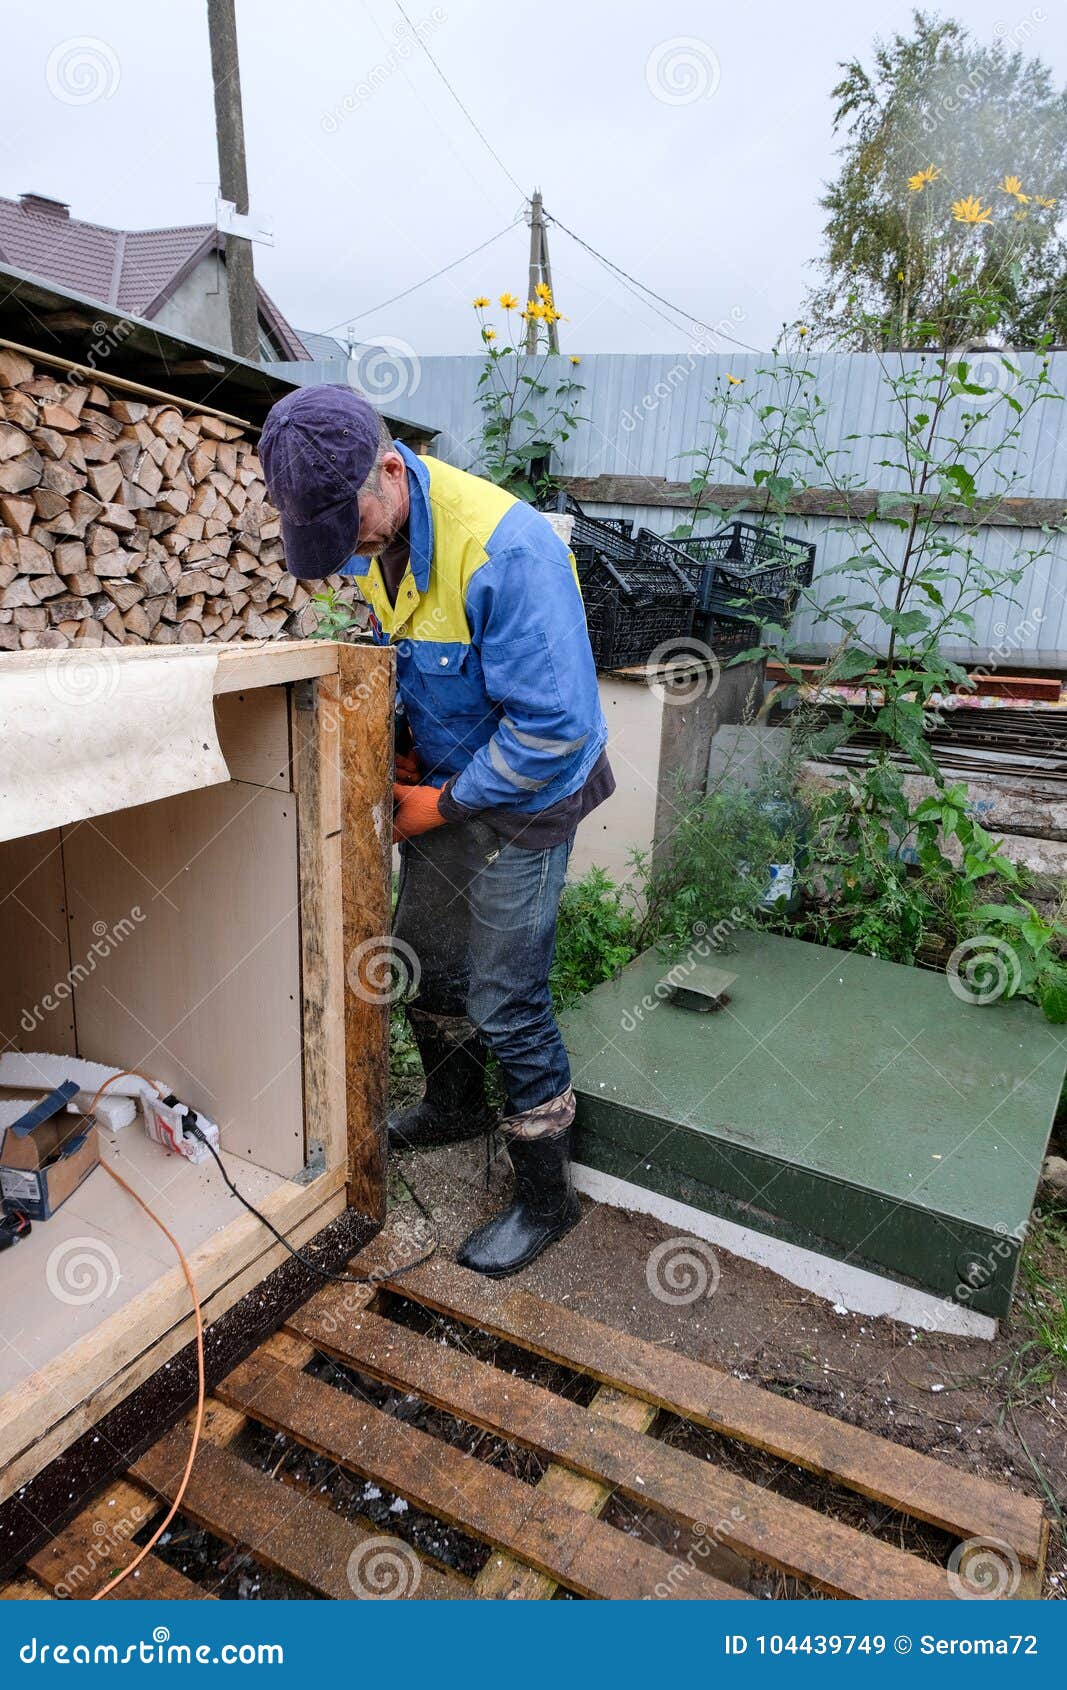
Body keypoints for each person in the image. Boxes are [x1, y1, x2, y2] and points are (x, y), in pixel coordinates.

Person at [259, 385, 613, 1277]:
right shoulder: (381, 524)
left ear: (389, 468)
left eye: (354, 526)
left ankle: (546, 1198)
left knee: (505, 993)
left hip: (528, 800)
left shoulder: (508, 549)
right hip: (452, 783)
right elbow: (424, 654)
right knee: (423, 957)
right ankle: (454, 1109)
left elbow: (553, 730)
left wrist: (441, 805)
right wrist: (413, 752)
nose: (353, 549)